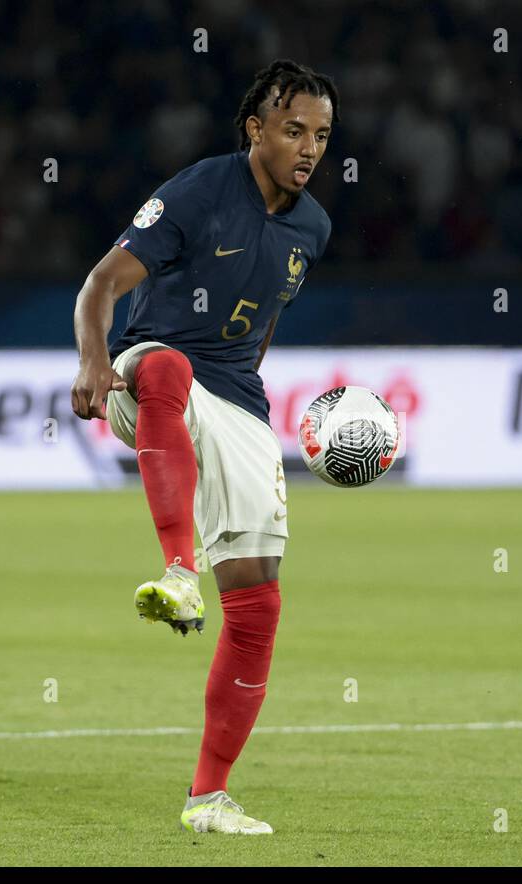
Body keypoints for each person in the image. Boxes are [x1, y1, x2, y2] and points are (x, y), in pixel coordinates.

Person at [69, 59, 336, 833]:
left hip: (237, 401)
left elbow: (265, 320)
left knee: (256, 605)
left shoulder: (312, 227)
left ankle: (208, 797)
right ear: (256, 130)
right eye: (293, 130)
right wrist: (91, 360)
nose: (308, 147)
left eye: (321, 135)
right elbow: (99, 285)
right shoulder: (199, 190)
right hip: (141, 376)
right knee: (167, 365)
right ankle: (178, 571)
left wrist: (241, 423)